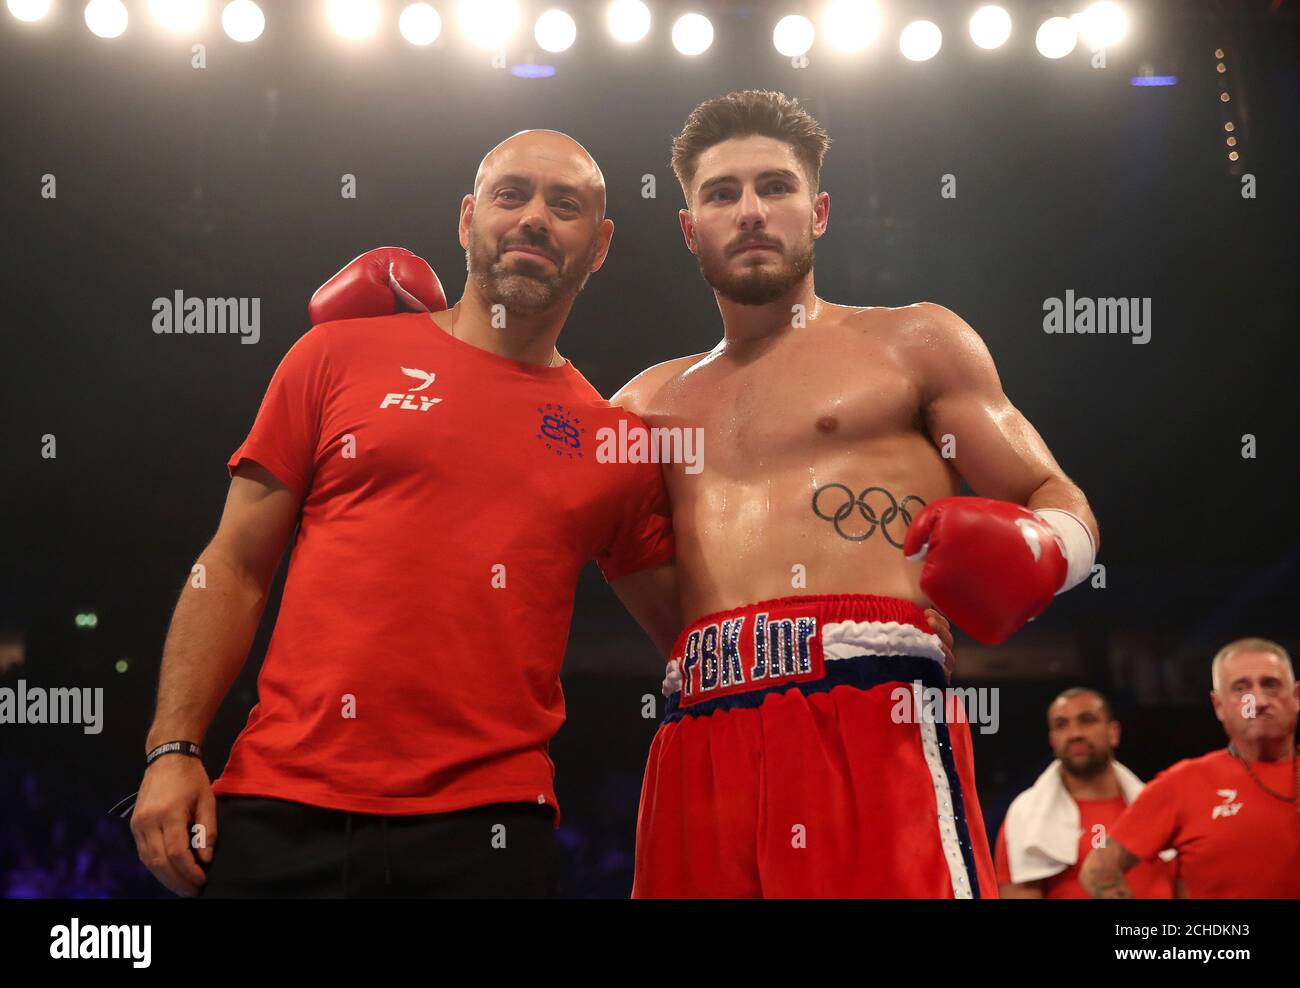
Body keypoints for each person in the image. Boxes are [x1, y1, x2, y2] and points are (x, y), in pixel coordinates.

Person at [321, 90, 1084, 898]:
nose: (750, 210)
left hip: (872, 712)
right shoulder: (640, 407)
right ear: (690, 227)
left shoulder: (914, 343)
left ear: (818, 210)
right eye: (722, 194)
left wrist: (1048, 549)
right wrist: (413, 351)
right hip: (699, 724)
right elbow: (497, 499)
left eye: (775, 187)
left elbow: (1049, 489)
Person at [130, 131, 683, 898]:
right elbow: (233, 563)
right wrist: (172, 748)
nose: (534, 219)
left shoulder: (612, 441)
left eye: (566, 206)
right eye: (510, 194)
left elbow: (695, 632)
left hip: (488, 834)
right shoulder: (335, 356)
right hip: (280, 805)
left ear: (600, 244)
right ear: (466, 219)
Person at [1081, 638, 1300, 898]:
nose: (1259, 701)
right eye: (1241, 689)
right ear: (1219, 706)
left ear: (1296, 697)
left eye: (1271, 685)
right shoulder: (1182, 783)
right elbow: (1098, 870)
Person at [995, 687, 1175, 898]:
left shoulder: (1160, 808)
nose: (1075, 734)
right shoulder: (1024, 817)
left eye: (1087, 720)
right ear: (1052, 740)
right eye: (1061, 725)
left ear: (1113, 733)